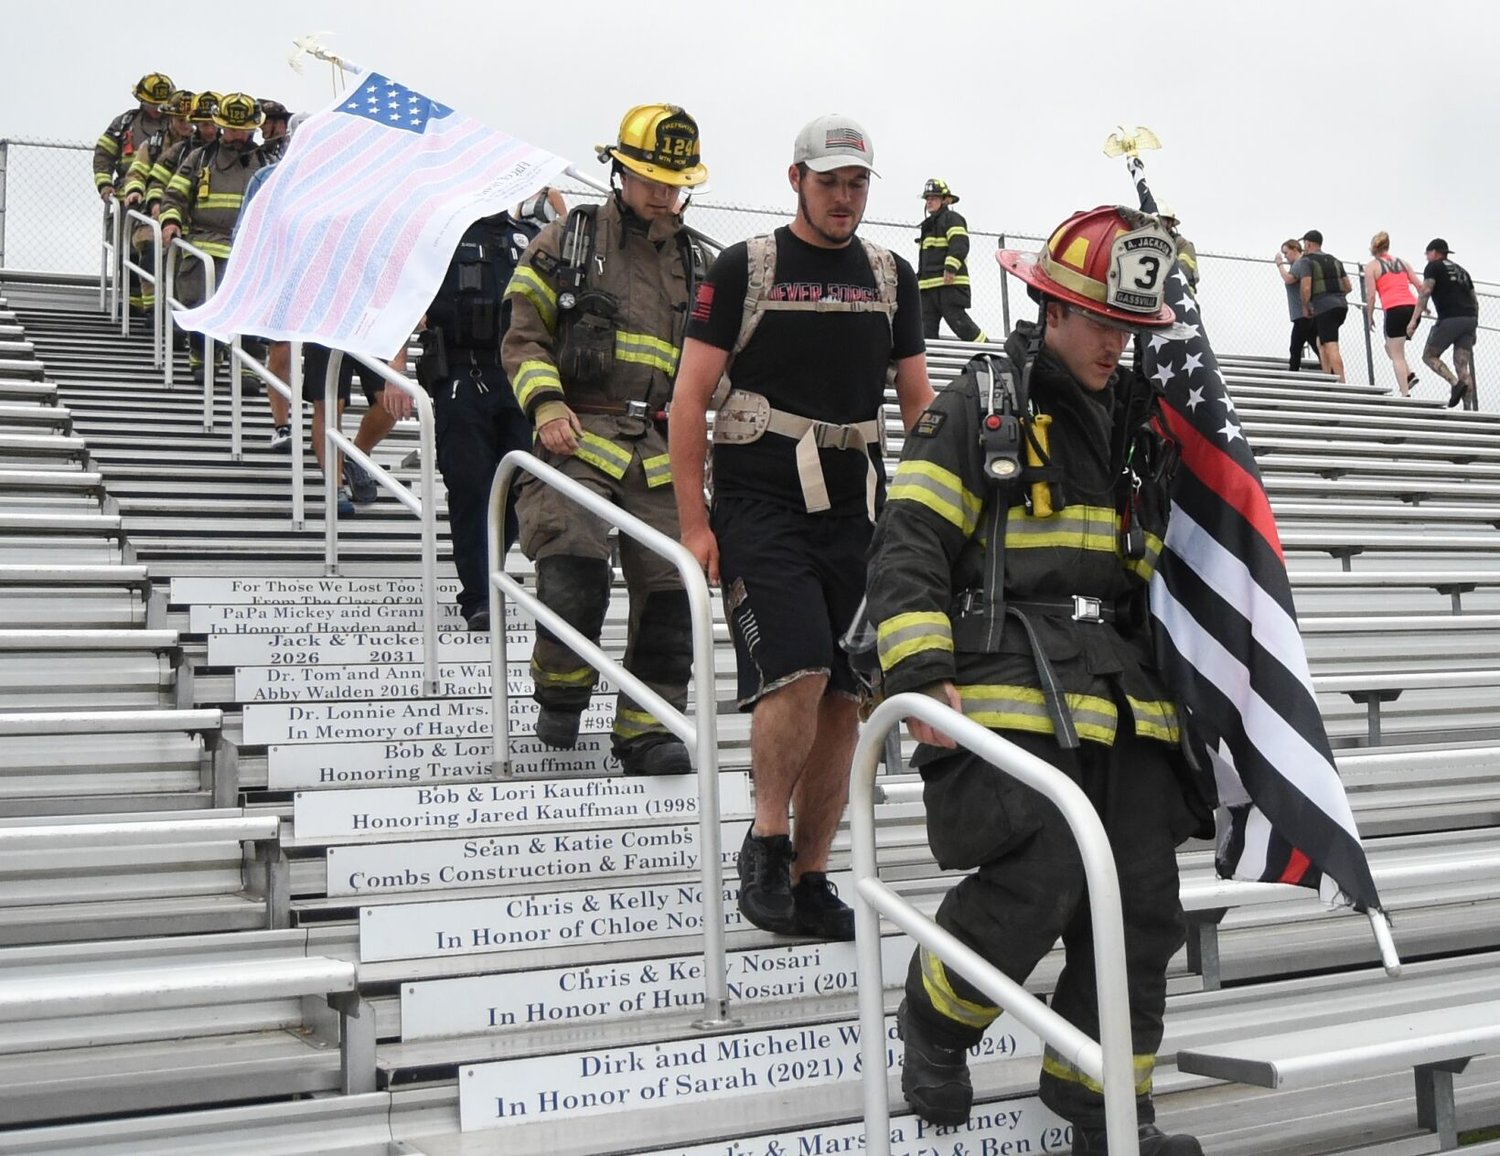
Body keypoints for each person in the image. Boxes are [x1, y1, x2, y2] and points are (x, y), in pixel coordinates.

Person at [864, 204, 1211, 1155]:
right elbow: (910, 542)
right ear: (1050, 308)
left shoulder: (1145, 422)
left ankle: (1105, 1113)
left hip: (1117, 695)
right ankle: (935, 1022)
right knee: (1049, 865)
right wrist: (921, 673)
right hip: (1000, 680)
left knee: (1142, 902)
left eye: (1132, 330)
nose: (1117, 345)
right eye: (1102, 323)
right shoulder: (985, 403)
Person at [669, 113, 933, 939]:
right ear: (796, 181)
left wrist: (928, 520)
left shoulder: (892, 274)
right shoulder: (747, 265)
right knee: (798, 671)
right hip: (759, 501)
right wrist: (692, 522)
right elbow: (687, 398)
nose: (844, 198)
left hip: (856, 510)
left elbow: (919, 402)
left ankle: (813, 874)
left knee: (849, 696)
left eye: (857, 183)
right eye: (830, 182)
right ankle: (766, 843)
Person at [500, 103, 710, 778]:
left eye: (673, 182)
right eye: (650, 177)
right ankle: (560, 693)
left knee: (674, 591)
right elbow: (523, 333)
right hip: (577, 434)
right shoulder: (568, 239)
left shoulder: (699, 262)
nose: (663, 193)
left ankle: (648, 732)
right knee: (573, 566)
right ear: (618, 170)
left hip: (658, 448)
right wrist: (547, 403)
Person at [384, 207, 549, 629]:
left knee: (522, 486)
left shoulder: (528, 236)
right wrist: (396, 373)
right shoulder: (441, 232)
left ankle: (490, 563)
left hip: (518, 373)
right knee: (470, 485)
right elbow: (409, 299)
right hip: (461, 373)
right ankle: (478, 594)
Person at [160, 93, 269, 381]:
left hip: (249, 251)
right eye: (232, 130)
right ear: (221, 126)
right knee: (200, 305)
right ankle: (204, 357)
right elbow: (174, 195)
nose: (237, 136)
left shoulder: (266, 162)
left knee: (251, 310)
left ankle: (250, 369)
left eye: (243, 130)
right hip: (204, 247)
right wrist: (170, 222)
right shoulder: (201, 158)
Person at [94, 72, 175, 314]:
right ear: (141, 99)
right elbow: (103, 155)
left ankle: (157, 304)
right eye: (153, 103)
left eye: (162, 104)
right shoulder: (124, 124)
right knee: (126, 251)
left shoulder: (176, 125)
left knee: (159, 252)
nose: (158, 109)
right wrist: (105, 184)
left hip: (164, 195)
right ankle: (133, 304)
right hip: (126, 197)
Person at [1408, 238, 1480, 410]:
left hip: (1450, 318)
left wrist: (1413, 320)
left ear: (1434, 252)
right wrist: (1474, 327)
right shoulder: (1462, 271)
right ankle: (1468, 410)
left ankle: (1455, 384)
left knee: (1429, 355)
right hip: (1469, 319)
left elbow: (1425, 291)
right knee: (1462, 364)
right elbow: (1475, 300)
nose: (1426, 257)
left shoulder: (1434, 266)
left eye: (1427, 253)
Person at [917, 178, 986, 342]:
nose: (929, 201)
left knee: (959, 323)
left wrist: (951, 268)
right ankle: (930, 364)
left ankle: (987, 351)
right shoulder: (928, 226)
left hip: (950, 284)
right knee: (924, 330)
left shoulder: (952, 219)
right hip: (928, 287)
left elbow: (960, 244)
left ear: (945, 199)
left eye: (933, 197)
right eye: (927, 198)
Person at [1362, 232, 1423, 396]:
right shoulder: (1403, 263)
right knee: (1390, 347)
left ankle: (1405, 393)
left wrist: (1370, 315)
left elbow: (1371, 295)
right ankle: (1408, 374)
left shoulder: (1371, 266)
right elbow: (1419, 285)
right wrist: (1425, 307)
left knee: (1397, 354)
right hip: (1412, 308)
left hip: (1395, 309)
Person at [1290, 229, 1351, 382]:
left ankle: (1342, 383)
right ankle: (1328, 377)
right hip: (1341, 306)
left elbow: (1305, 287)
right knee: (1321, 342)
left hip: (1324, 307)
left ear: (1308, 243)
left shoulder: (1306, 261)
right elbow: (1348, 286)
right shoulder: (1335, 260)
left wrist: (1305, 306)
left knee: (1331, 345)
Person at [1273, 239, 1318, 372]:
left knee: (1295, 347)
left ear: (1294, 250)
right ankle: (1329, 371)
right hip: (1304, 313)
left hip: (1302, 314)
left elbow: (1288, 279)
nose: (1285, 256)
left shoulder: (1299, 264)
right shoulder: (1298, 265)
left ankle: (1293, 373)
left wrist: (1279, 264)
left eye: (1286, 252)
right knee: (1315, 345)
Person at [1156, 203, 1199, 291]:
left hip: (1180, 295)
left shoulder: (1182, 244)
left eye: (1160, 220)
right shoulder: (1144, 243)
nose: (1155, 223)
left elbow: (1184, 271)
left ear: (1170, 223)